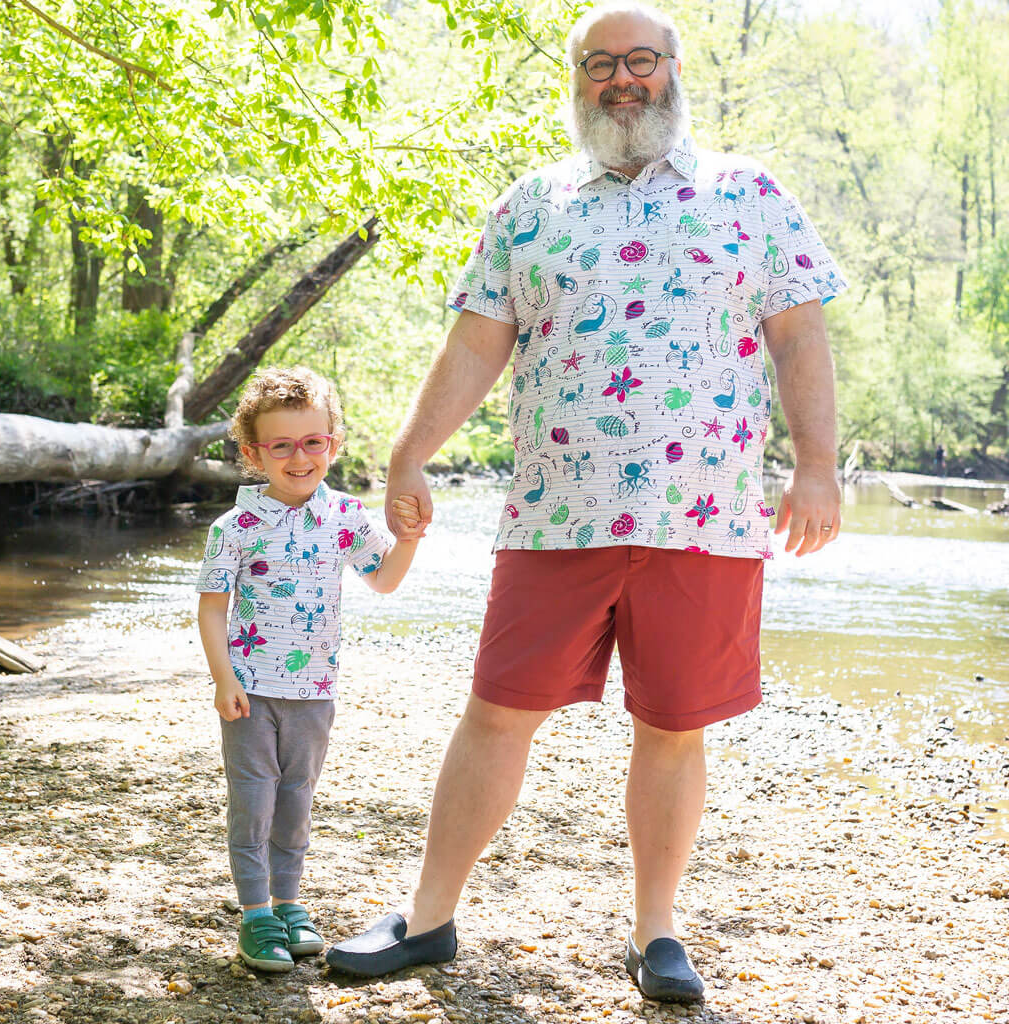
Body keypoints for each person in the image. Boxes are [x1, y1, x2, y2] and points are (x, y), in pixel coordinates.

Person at [327, 1, 846, 1003]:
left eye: (640, 60)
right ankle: (427, 916)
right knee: (496, 713)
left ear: (674, 69)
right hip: (556, 511)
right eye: (600, 64)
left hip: (705, 515)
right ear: (577, 81)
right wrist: (406, 453)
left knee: (672, 725)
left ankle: (655, 933)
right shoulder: (533, 203)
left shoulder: (750, 195)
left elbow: (797, 337)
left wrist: (817, 467)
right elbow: (478, 339)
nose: (622, 80)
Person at [196, 366, 419, 972]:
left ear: (332, 445)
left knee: (296, 800)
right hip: (250, 690)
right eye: (282, 445)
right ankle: (255, 915)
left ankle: (289, 902)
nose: (300, 457)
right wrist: (223, 678)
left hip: (315, 690)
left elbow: (385, 579)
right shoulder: (233, 528)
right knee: (254, 800)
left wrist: (412, 537)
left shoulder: (344, 515)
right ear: (253, 453)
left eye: (313, 442)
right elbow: (212, 609)